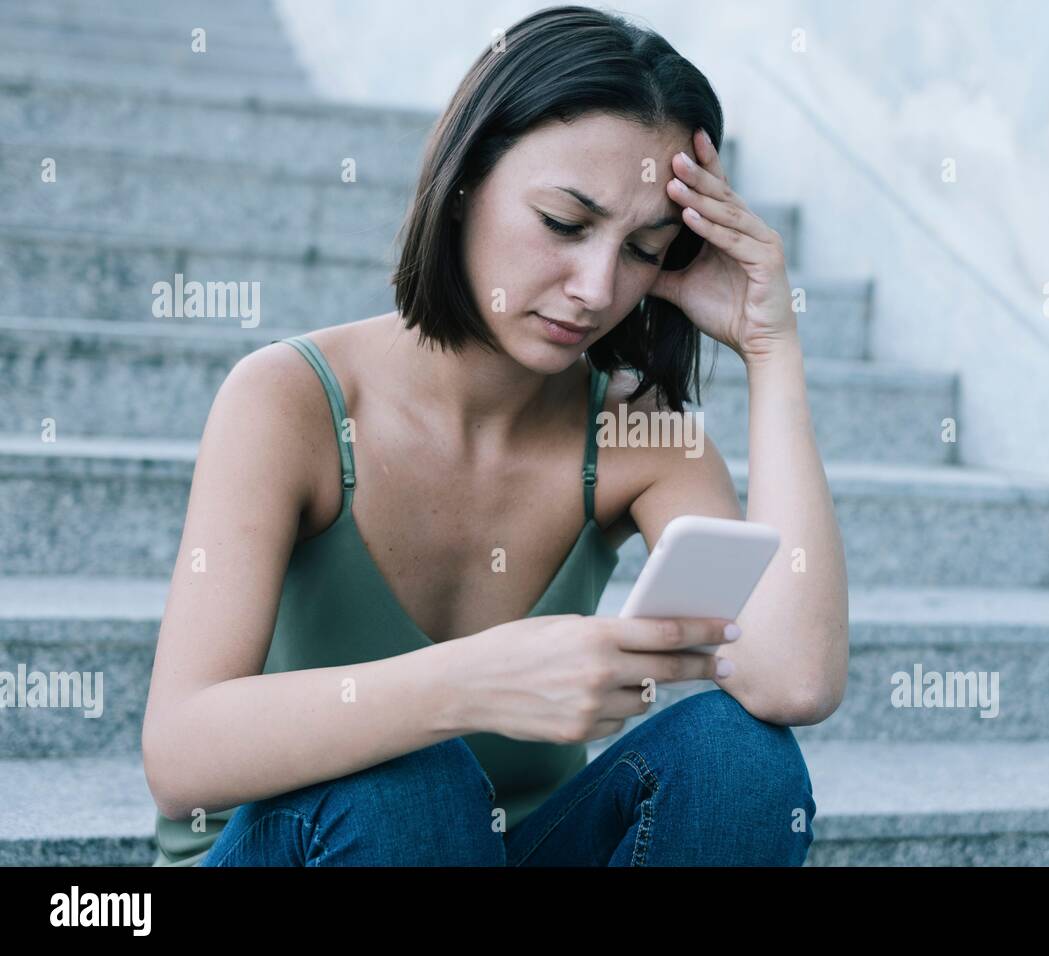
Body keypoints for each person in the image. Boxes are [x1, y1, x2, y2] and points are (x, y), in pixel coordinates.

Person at [143, 4, 847, 867]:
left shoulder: (642, 435)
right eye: (563, 222)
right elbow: (179, 756)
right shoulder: (288, 401)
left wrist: (771, 349)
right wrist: (472, 684)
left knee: (741, 759)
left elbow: (793, 680)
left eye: (644, 248)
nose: (595, 287)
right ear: (467, 175)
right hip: (299, 845)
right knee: (405, 777)